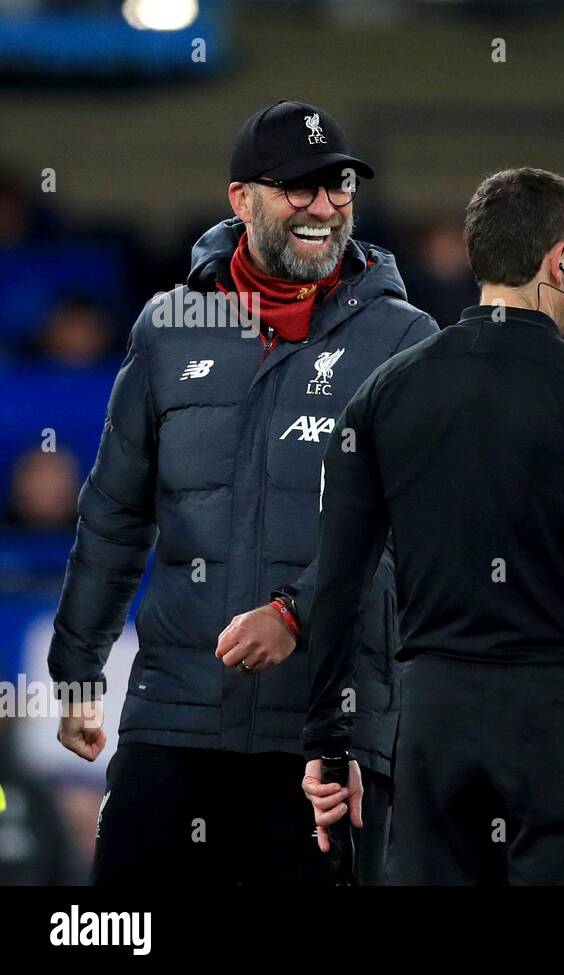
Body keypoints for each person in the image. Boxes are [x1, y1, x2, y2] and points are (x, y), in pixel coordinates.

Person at [47, 100, 435, 885]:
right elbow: (117, 511)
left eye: (339, 187)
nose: (324, 207)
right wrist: (79, 665)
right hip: (175, 713)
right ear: (242, 200)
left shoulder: (405, 340)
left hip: (329, 731)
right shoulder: (169, 325)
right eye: (299, 187)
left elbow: (413, 527)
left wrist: (296, 611)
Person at [302, 167, 564, 885]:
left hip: (432, 718)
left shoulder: (382, 396)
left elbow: (337, 586)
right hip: (560, 722)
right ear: (558, 261)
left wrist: (327, 747)